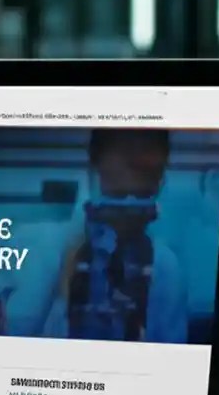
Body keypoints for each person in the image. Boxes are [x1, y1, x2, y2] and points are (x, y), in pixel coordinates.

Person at [44, 128, 188, 343]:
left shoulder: (165, 267)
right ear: (94, 172)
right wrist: (66, 291)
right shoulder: (49, 249)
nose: (128, 212)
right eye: (118, 195)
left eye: (142, 196)